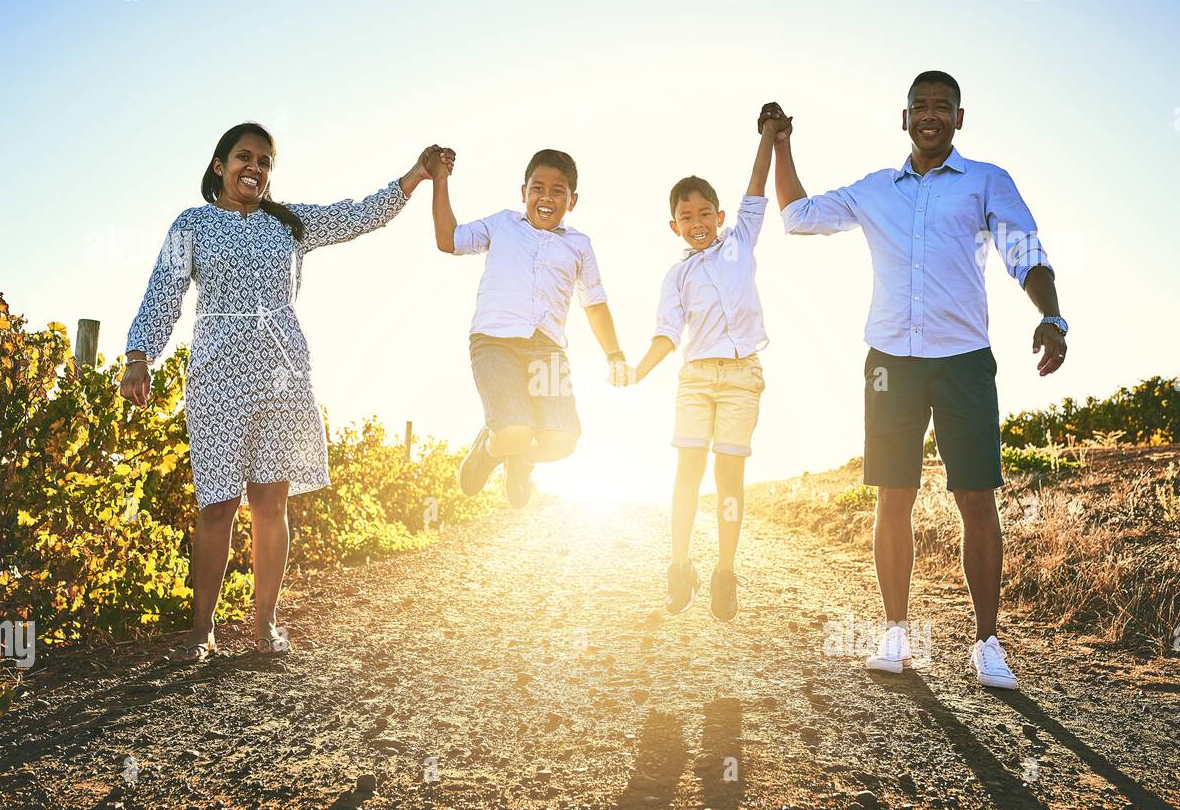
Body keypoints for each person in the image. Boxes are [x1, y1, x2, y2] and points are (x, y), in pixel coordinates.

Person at [767, 71, 1069, 689]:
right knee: (893, 495)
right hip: (890, 363)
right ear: (904, 119)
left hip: (963, 359)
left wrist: (1051, 316)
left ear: (959, 119)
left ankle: (987, 643)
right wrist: (780, 143)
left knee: (976, 498)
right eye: (919, 106)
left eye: (943, 107)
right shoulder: (876, 190)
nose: (930, 115)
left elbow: (1026, 252)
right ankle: (897, 635)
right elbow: (797, 217)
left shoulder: (987, 181)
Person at [120, 121, 451, 662]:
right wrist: (140, 356)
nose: (254, 167)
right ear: (219, 166)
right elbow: (164, 289)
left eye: (265, 161)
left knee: (270, 503)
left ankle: (265, 623)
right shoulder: (193, 224)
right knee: (216, 506)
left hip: (282, 375)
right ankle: (201, 630)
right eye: (243, 157)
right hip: (216, 375)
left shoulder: (289, 224)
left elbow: (356, 215)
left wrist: (416, 174)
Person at [627, 115, 783, 621]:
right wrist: (637, 370)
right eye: (685, 216)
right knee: (687, 473)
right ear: (674, 225)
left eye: (704, 214)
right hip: (695, 380)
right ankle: (679, 567)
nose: (696, 223)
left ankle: (724, 572)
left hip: (742, 379)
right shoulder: (676, 276)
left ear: (718, 216)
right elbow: (667, 335)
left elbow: (756, 187)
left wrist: (768, 137)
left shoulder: (740, 242)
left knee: (729, 478)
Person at [428, 148, 628, 508]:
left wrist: (614, 353)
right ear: (524, 192)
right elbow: (449, 240)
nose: (546, 198)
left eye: (557, 191)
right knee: (515, 429)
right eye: (538, 188)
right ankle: (490, 450)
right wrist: (440, 180)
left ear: (573, 200)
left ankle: (521, 460)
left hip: (547, 351)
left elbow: (595, 304)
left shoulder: (579, 245)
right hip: (494, 344)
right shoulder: (503, 224)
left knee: (562, 440)